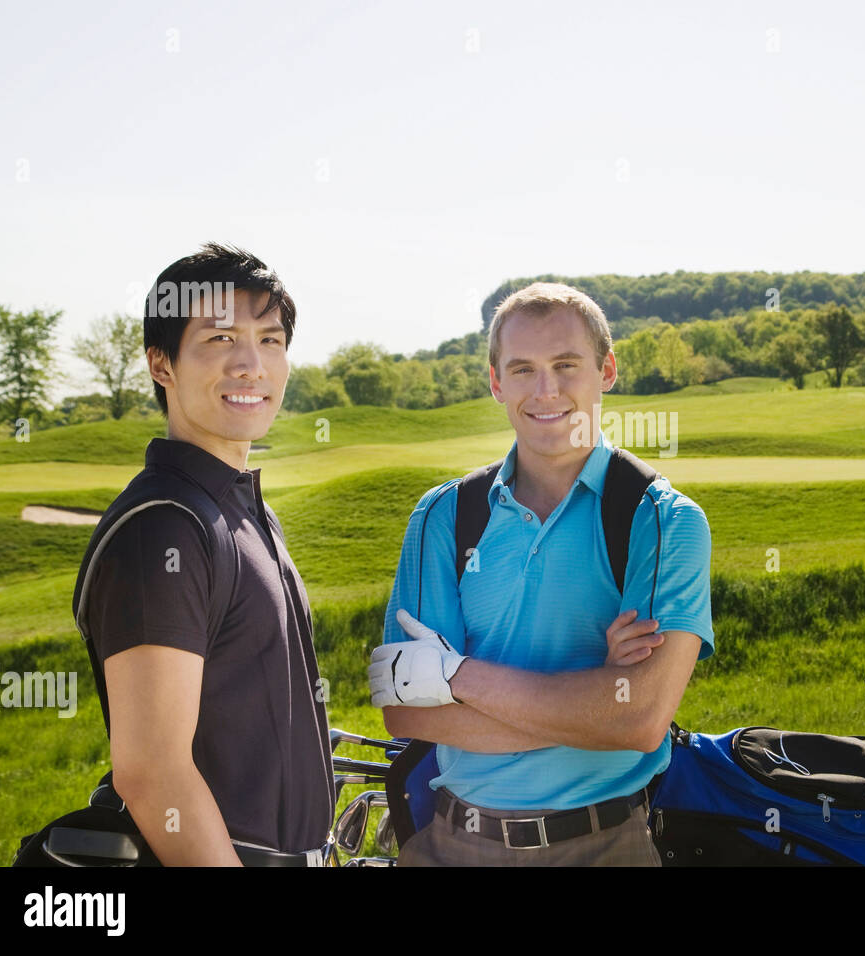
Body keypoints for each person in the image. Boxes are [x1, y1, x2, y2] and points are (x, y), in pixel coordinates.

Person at [372, 281, 715, 866]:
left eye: (565, 364)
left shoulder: (663, 521)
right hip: (452, 845)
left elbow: (639, 718)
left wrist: (453, 675)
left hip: (604, 845)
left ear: (606, 370)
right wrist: (593, 702)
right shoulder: (441, 517)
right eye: (523, 369)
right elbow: (405, 711)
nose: (546, 390)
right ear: (496, 381)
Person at [77, 243, 334, 865]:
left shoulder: (243, 509)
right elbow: (152, 772)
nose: (252, 365)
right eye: (221, 340)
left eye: (270, 341)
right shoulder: (163, 528)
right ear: (161, 364)